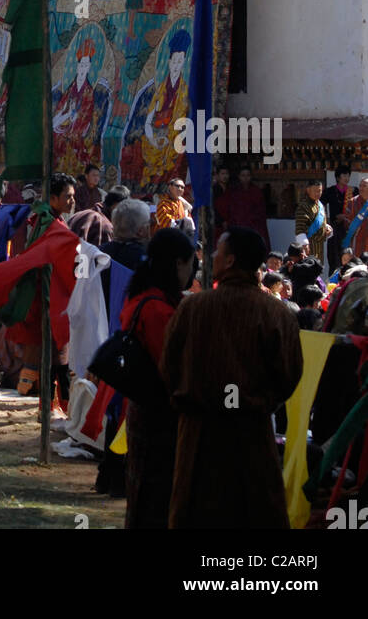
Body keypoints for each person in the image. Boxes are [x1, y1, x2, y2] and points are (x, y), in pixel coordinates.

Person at [161, 227, 303, 529]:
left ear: (230, 261)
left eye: (219, 251)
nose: (212, 255)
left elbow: (168, 368)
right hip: (252, 432)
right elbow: (289, 376)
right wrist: (259, 402)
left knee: (196, 516)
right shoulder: (277, 314)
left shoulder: (193, 307)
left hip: (200, 434)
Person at [120, 228, 195, 529]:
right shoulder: (156, 309)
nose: (192, 272)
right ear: (178, 264)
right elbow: (171, 367)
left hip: (147, 411)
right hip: (159, 415)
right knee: (155, 499)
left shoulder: (147, 298)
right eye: (191, 264)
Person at [216, 165, 269, 248]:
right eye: (243, 175)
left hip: (253, 227)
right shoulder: (234, 192)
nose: (245, 178)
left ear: (251, 177)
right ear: (239, 177)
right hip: (237, 227)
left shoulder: (256, 192)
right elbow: (228, 209)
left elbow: (261, 212)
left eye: (248, 175)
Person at [294, 177, 333, 262]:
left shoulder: (320, 205)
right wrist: (304, 244)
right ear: (308, 190)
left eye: (320, 191)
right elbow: (300, 228)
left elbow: (319, 222)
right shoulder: (303, 206)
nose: (318, 193)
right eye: (315, 191)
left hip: (319, 246)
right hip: (309, 245)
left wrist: (327, 228)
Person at [324, 165, 352, 272]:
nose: (346, 178)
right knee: (334, 256)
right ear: (338, 177)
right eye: (344, 175)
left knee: (348, 254)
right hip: (334, 228)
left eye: (348, 175)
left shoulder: (353, 191)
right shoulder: (330, 191)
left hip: (348, 229)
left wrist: (345, 217)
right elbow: (320, 207)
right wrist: (326, 221)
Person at [342, 176, 368, 259]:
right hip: (357, 242)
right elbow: (346, 221)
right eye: (360, 186)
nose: (361, 188)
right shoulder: (352, 202)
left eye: (364, 186)